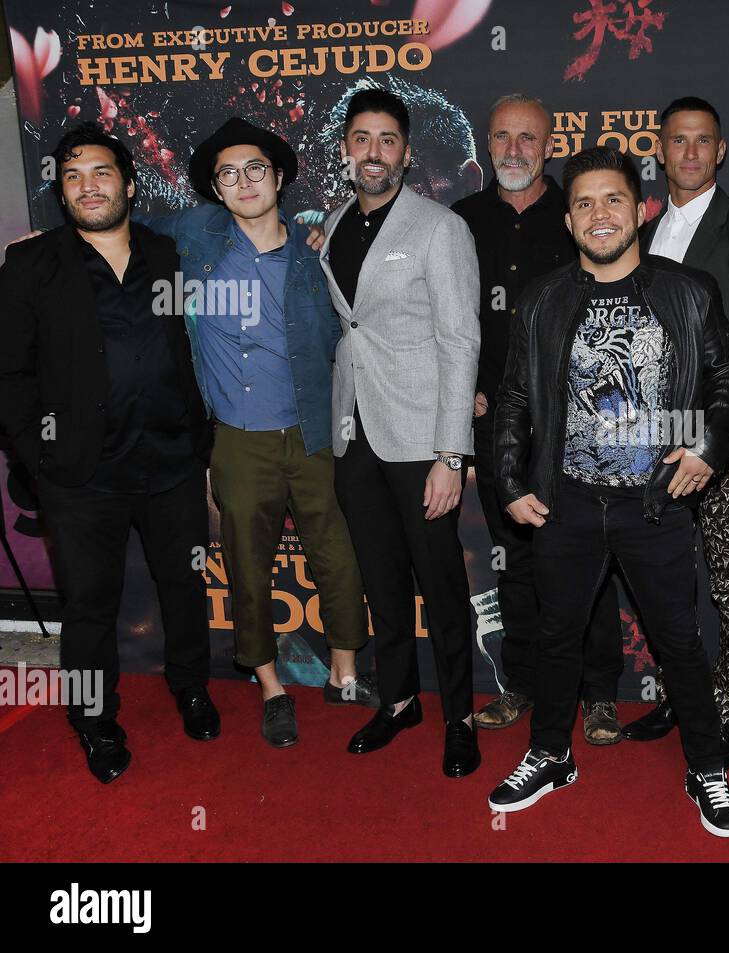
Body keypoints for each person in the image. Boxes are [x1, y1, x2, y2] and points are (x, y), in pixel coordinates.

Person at [488, 146, 729, 837]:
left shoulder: (687, 291)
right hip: (567, 499)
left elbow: (725, 380)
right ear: (569, 221)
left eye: (612, 200)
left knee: (680, 644)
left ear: (640, 209)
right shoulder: (544, 297)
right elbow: (514, 394)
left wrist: (704, 447)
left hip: (652, 502)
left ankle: (706, 765)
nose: (599, 215)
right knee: (556, 635)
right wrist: (511, 479)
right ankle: (550, 752)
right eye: (584, 204)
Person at [144, 117, 373, 747]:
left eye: (254, 169)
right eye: (228, 173)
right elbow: (119, 228)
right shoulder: (195, 236)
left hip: (313, 430)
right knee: (247, 565)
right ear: (215, 189)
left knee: (336, 553)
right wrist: (47, 238)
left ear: (278, 177)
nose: (243, 181)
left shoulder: (314, 255)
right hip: (237, 436)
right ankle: (272, 688)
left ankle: (344, 672)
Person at [0, 123, 216, 782]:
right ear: (60, 191)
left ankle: (192, 688)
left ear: (127, 182)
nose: (88, 186)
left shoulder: (167, 252)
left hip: (172, 461)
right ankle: (95, 723)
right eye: (73, 176)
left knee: (184, 586)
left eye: (100, 173)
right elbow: (10, 374)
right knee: (89, 605)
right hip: (80, 477)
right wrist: (39, 461)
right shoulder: (31, 264)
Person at [622, 96, 729, 768]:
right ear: (659, 150)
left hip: (722, 443)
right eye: (678, 141)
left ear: (721, 152)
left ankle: (726, 714)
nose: (690, 153)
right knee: (667, 586)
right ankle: (684, 695)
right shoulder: (642, 230)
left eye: (703, 142)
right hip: (651, 442)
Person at [319, 88, 484, 777]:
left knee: (440, 585)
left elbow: (461, 341)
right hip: (355, 433)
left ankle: (460, 716)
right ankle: (398, 701)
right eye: (363, 138)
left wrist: (451, 454)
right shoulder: (332, 223)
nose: (374, 152)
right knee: (381, 579)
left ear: (407, 154)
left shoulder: (439, 228)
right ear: (345, 151)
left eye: (389, 140)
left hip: (422, 440)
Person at [450, 93, 625, 745]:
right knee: (514, 560)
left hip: (581, 425)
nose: (515, 149)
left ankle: (601, 694)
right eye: (502, 137)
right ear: (486, 145)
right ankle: (520, 684)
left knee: (594, 560)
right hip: (496, 426)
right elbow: (443, 320)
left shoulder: (582, 213)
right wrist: (459, 387)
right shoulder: (458, 221)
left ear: (548, 145)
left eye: (528, 138)